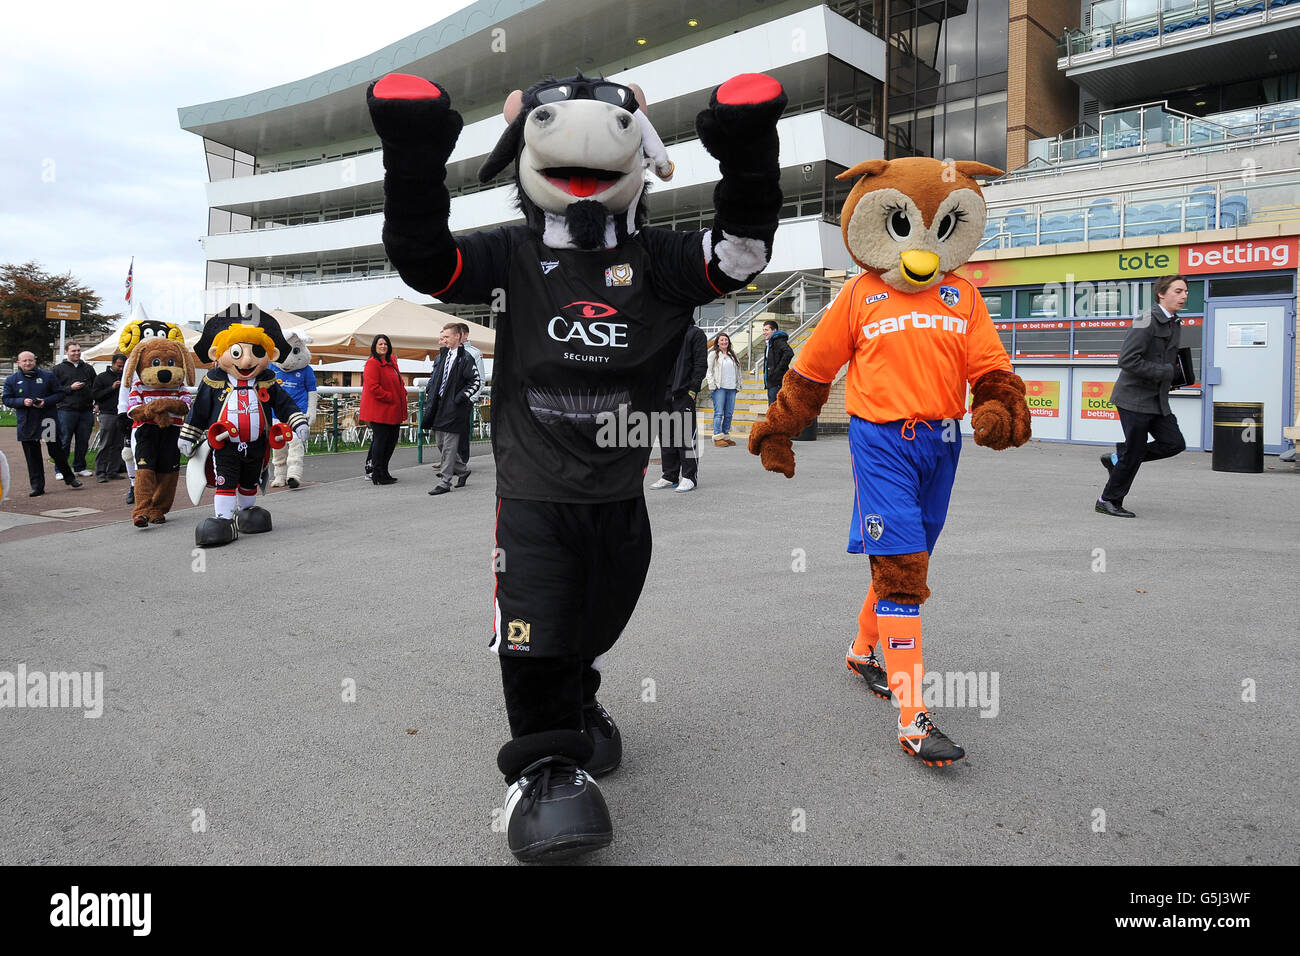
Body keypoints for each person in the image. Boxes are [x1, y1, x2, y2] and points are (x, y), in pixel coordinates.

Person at [1096, 275, 1190, 518]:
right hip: (1133, 399)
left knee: (1174, 443)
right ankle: (1107, 500)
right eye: (1178, 291)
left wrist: (1174, 378)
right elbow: (1127, 360)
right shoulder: (1144, 320)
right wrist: (1166, 372)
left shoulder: (1173, 322)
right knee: (1135, 453)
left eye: (1185, 292)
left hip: (1157, 399)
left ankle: (1118, 458)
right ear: (1161, 293)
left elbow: (1162, 358)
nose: (1184, 296)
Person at [2, 351, 83, 496]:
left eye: (30, 360)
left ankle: (69, 478)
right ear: (19, 363)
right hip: (27, 423)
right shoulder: (12, 380)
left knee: (56, 451)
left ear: (35, 361)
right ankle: (37, 486)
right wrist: (22, 401)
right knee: (33, 456)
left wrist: (46, 401)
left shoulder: (48, 376)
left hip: (47, 420)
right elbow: (7, 399)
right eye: (24, 361)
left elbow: (60, 394)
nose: (28, 363)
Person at [650, 322, 707, 493]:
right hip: (663, 392)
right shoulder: (666, 333)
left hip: (683, 393)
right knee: (666, 435)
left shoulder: (695, 334)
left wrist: (693, 390)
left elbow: (700, 364)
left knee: (685, 436)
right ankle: (669, 475)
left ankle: (689, 477)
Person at [425, 323, 480, 496]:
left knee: (449, 446)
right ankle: (462, 470)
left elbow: (476, 381)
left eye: (447, 336)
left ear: (458, 336)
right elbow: (435, 379)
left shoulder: (466, 358)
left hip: (455, 408)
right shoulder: (442, 356)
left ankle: (445, 481)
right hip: (439, 406)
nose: (443, 340)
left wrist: (460, 398)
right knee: (441, 443)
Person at [360, 334, 406, 485]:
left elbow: (397, 381)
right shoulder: (372, 363)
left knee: (391, 441)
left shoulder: (391, 361)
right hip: (380, 410)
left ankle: (384, 471)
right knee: (380, 441)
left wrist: (401, 392)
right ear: (374, 346)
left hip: (392, 409)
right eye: (380, 344)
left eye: (385, 344)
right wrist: (391, 396)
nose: (383, 346)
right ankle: (377, 473)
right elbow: (373, 387)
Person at [54, 342, 97, 477]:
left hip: (86, 410)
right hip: (66, 410)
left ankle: (79, 467)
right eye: (73, 351)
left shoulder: (88, 369)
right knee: (64, 440)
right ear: (66, 352)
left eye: (78, 350)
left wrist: (97, 402)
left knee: (83, 440)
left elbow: (96, 387)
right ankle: (60, 469)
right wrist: (70, 388)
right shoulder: (58, 369)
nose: (77, 353)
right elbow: (53, 390)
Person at [455, 322, 486, 483]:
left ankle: (462, 463)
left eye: (457, 333)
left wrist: (471, 398)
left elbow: (480, 379)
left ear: (465, 335)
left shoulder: (474, 353)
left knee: (462, 431)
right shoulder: (450, 351)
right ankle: (451, 462)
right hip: (451, 401)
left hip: (466, 400)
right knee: (449, 432)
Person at [92, 352, 128, 482]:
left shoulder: (126, 377)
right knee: (105, 443)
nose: (121, 369)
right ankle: (100, 472)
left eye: (123, 366)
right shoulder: (102, 377)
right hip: (107, 413)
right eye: (119, 366)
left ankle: (113, 470)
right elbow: (95, 395)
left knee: (118, 444)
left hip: (121, 414)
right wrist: (111, 388)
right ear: (112, 364)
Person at [706, 332, 741, 447]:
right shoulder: (713, 354)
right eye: (722, 340)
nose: (724, 342)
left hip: (732, 388)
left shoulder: (733, 354)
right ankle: (717, 437)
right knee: (719, 413)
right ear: (717, 342)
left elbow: (738, 371)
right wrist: (712, 385)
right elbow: (709, 372)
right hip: (719, 388)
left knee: (729, 413)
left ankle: (725, 435)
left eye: (726, 340)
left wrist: (738, 385)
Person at [762, 319, 792, 404]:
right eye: (763, 330)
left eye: (766, 330)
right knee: (773, 408)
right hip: (771, 382)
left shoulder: (778, 341)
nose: (764, 332)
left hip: (777, 382)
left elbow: (789, 353)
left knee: (776, 408)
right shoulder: (770, 343)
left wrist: (777, 371)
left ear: (774, 330)